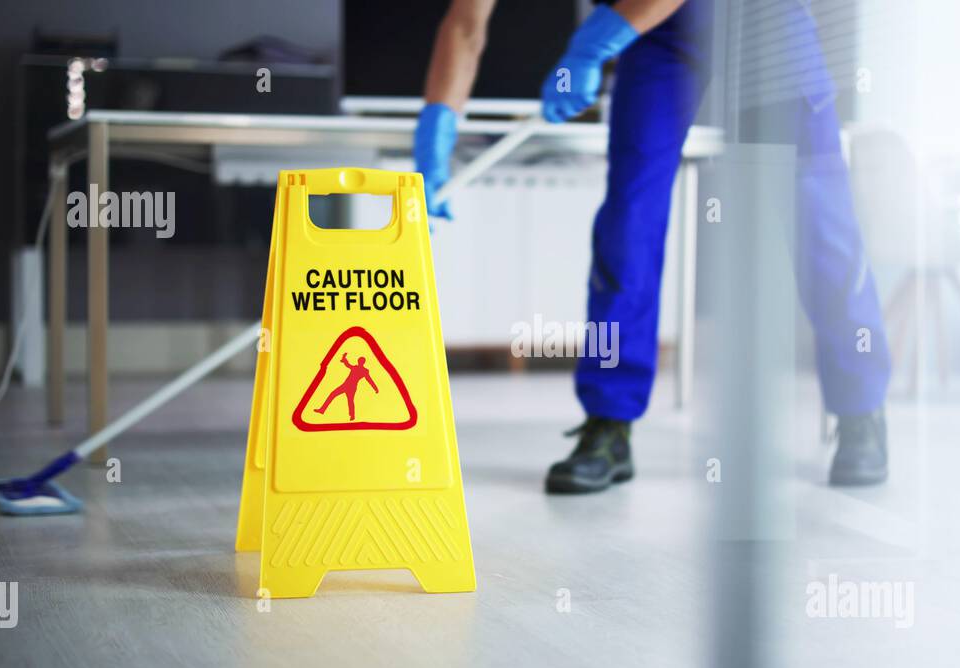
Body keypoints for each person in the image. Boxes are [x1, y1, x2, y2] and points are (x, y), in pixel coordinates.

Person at [415, 0, 891, 493]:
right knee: (629, 221)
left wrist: (592, 44)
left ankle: (862, 410)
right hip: (657, 38)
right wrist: (435, 132)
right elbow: (465, 26)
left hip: (761, 23)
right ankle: (609, 422)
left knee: (819, 222)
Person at [314, 354, 379, 420]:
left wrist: (375, 388)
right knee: (335, 395)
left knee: (348, 400)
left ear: (362, 362)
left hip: (350, 386)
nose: (359, 362)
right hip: (347, 385)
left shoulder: (362, 370)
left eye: (360, 361)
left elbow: (369, 380)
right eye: (359, 361)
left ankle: (352, 415)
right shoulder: (361, 369)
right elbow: (348, 365)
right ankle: (323, 410)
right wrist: (344, 359)